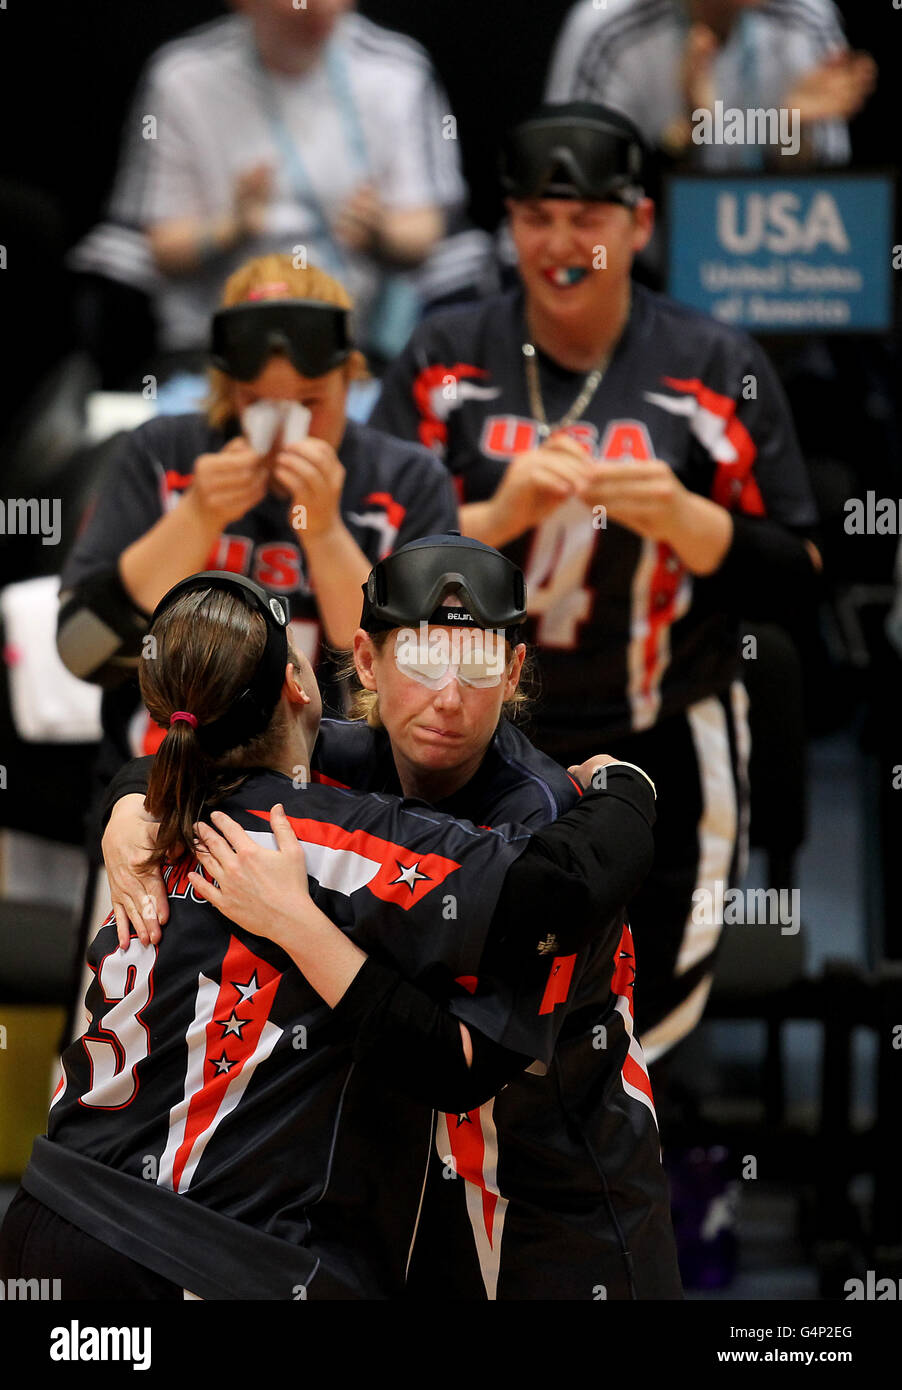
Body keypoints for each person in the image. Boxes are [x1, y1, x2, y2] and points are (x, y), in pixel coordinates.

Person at [1, 570, 658, 1300]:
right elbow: (555, 894)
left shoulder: (159, 815)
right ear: (305, 682)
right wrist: (628, 785)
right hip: (193, 1253)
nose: (445, 696)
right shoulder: (327, 833)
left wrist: (125, 802)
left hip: (43, 1219)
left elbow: (152, 768)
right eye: (418, 657)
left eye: (470, 663)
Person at [368, 104, 822, 1062]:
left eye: (588, 221)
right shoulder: (442, 355)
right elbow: (371, 573)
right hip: (462, 736)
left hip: (658, 731)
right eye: (536, 217)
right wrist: (497, 516)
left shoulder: (712, 363)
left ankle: (638, 1195)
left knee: (623, 1035)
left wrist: (679, 516)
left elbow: (802, 576)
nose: (561, 245)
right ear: (508, 223)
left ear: (640, 225)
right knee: (458, 1012)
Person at [57, 253, 458, 861]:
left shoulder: (409, 479)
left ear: (351, 379)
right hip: (155, 800)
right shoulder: (163, 453)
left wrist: (323, 532)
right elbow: (80, 651)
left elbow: (419, 679)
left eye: (309, 402)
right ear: (225, 388)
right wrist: (196, 517)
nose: (284, 428)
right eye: (257, 402)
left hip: (340, 816)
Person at [68, 0, 477, 367]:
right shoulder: (181, 77)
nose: (321, 6)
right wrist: (228, 229)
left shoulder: (398, 70)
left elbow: (424, 234)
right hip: (216, 348)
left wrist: (379, 234)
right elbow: (163, 247)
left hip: (355, 342)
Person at [545, 0, 876, 170]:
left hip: (772, 279)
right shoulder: (607, 30)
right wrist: (687, 136)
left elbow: (829, 205)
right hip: (640, 279)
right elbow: (571, 204)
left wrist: (789, 129)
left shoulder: (807, 17)